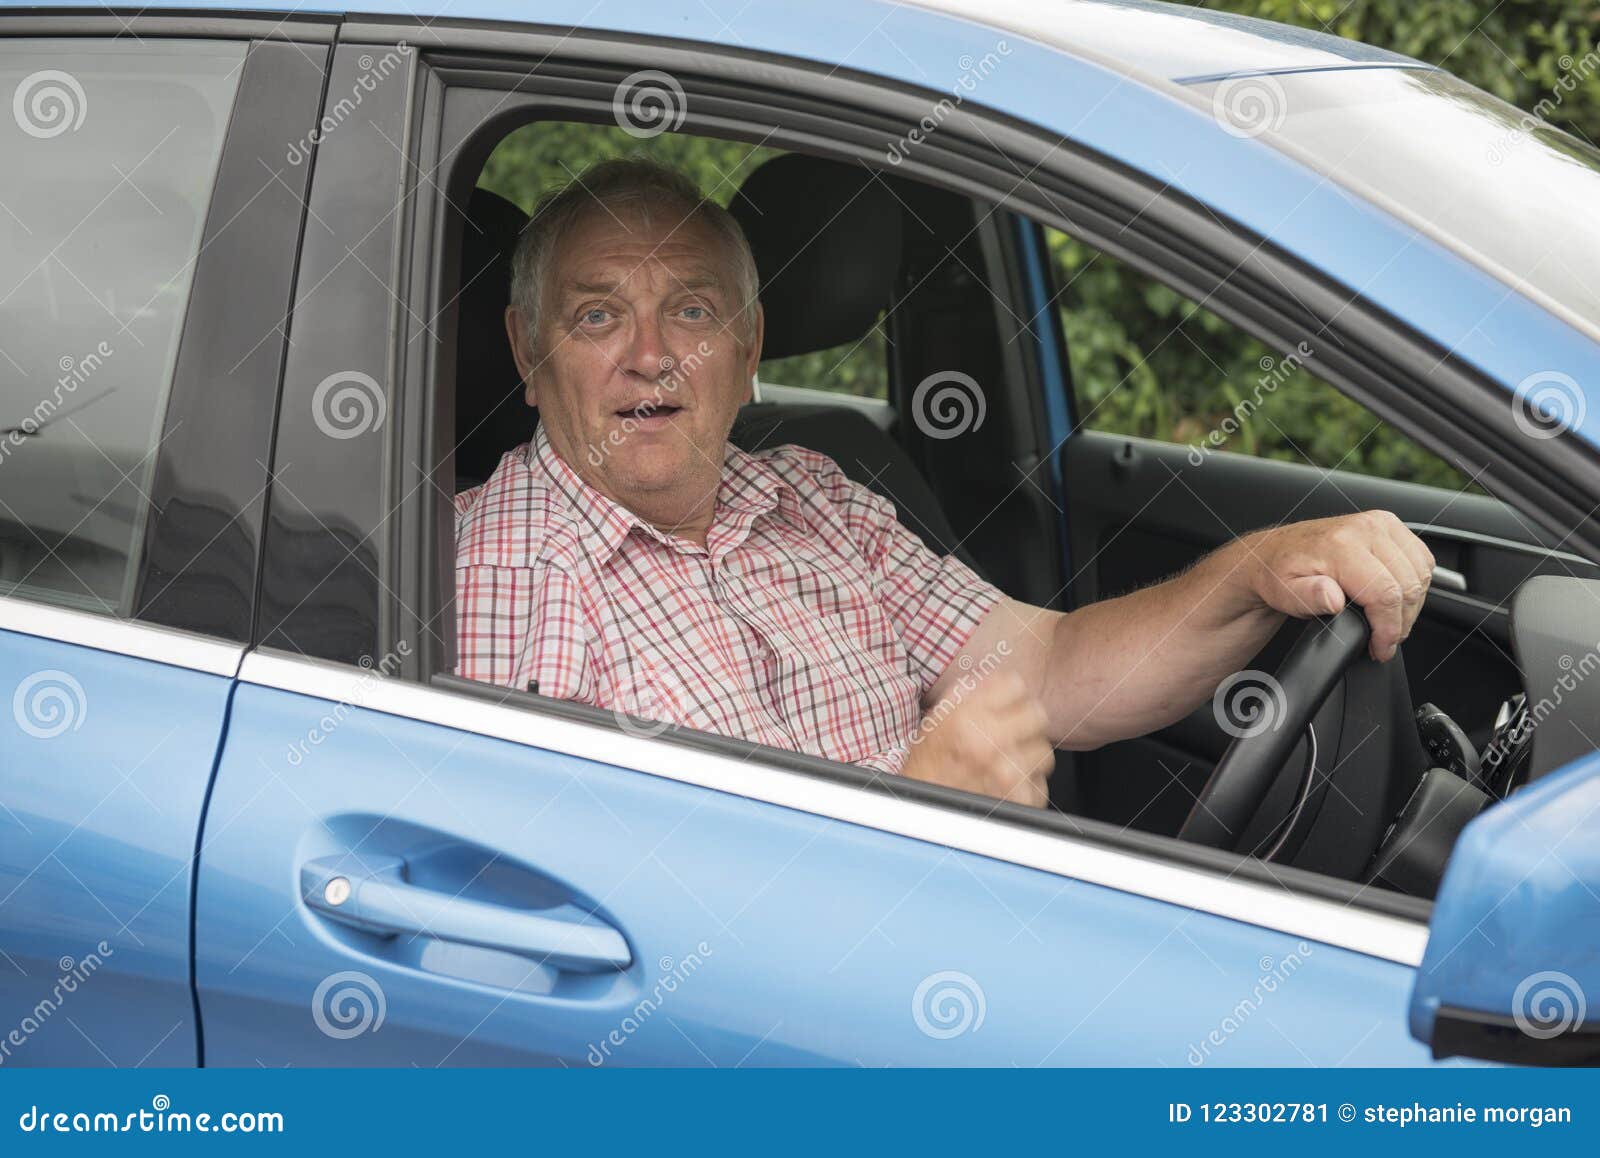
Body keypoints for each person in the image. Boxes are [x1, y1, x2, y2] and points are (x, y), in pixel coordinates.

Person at [454, 159, 1433, 808]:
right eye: (595, 318)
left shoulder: (816, 496)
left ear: (747, 347)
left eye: (694, 312)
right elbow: (565, 916)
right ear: (527, 352)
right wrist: (910, 809)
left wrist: (1254, 569)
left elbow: (1045, 670)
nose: (651, 357)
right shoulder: (493, 567)